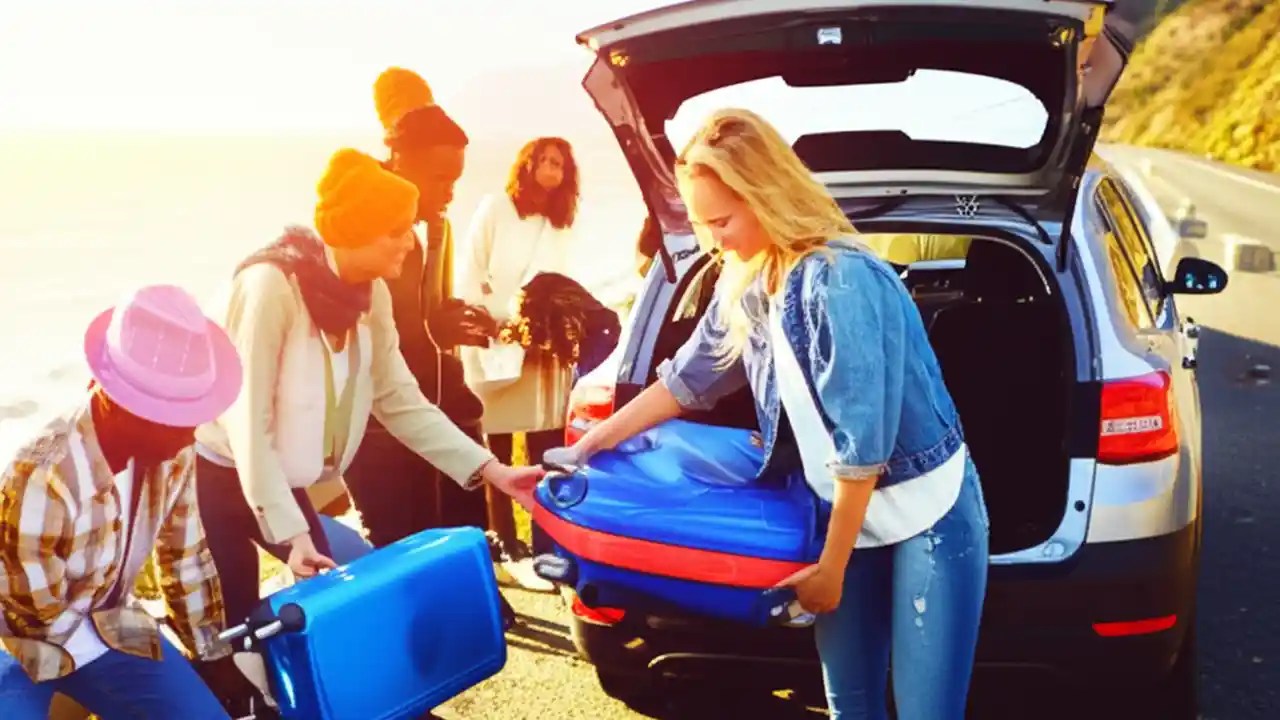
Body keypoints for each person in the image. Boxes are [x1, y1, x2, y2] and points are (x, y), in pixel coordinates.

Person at [550, 109, 989, 720]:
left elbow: (863, 446)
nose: (713, 242)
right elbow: (686, 380)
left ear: (767, 195)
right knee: (850, 704)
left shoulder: (839, 282)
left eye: (722, 221)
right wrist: (589, 444)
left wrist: (830, 570)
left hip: (928, 510)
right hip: (844, 511)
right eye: (702, 225)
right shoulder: (754, 282)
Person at [192, 148, 543, 637]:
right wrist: (293, 536)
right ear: (354, 233)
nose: (409, 241)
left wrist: (494, 471)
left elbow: (400, 397)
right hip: (221, 474)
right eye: (396, 231)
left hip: (283, 474)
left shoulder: (369, 291)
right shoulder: (270, 286)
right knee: (241, 630)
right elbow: (249, 423)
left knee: (341, 602)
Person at [0, 284, 242, 719]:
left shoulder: (174, 451)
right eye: (177, 419)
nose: (191, 434)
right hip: (17, 643)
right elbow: (33, 619)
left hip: (105, 627)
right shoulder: (40, 474)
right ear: (122, 405)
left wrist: (211, 653)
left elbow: (184, 557)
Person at [343, 78, 499, 552]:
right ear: (398, 161)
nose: (449, 192)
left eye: (456, 180)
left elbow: (428, 308)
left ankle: (473, 588)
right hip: (379, 415)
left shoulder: (439, 225)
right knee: (398, 541)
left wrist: (459, 320)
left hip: (433, 395)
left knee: (460, 522)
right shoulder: (361, 230)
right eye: (440, 179)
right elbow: (357, 332)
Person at [458, 137, 581, 561]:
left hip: (544, 342)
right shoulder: (496, 207)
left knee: (546, 442)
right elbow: (471, 269)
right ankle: (505, 540)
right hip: (495, 338)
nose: (551, 169)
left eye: (559, 164)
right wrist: (486, 327)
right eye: (543, 161)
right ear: (526, 166)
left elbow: (563, 278)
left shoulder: (562, 219)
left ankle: (549, 537)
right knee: (497, 444)